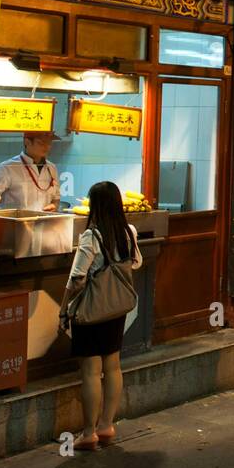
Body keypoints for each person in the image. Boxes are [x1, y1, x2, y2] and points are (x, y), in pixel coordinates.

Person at [58, 181, 142, 449]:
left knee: (92, 372)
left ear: (95, 206)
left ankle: (88, 433)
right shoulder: (128, 231)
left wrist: (63, 309)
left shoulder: (90, 237)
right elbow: (137, 262)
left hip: (93, 309)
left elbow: (77, 280)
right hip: (116, 308)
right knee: (113, 365)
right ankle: (107, 425)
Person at [0, 131, 62, 209]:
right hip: (16, 220)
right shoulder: (6, 168)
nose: (47, 147)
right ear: (27, 142)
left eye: (49, 143)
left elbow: (56, 198)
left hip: (44, 220)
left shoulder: (52, 168)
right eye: (41, 143)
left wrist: (54, 205)